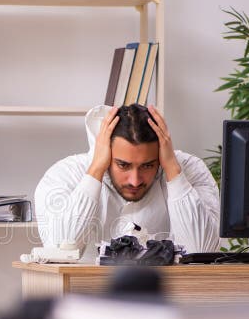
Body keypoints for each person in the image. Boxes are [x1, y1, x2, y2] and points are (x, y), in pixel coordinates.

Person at [34, 103, 220, 255]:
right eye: (123, 165)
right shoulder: (64, 175)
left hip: (167, 298)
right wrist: (96, 169)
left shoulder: (189, 170)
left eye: (148, 165)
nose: (135, 180)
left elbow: (201, 252)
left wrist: (172, 169)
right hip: (86, 297)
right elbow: (60, 249)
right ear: (105, 152)